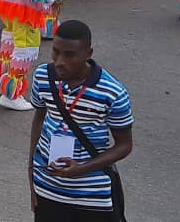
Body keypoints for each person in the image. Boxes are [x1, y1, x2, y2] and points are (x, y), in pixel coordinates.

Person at [29, 20, 133, 221]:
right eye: (56, 52)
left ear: (88, 53)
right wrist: (31, 174)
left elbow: (125, 145)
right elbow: (39, 119)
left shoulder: (112, 92)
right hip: (47, 188)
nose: (59, 61)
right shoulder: (42, 76)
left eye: (69, 55)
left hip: (91, 196)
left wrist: (81, 169)